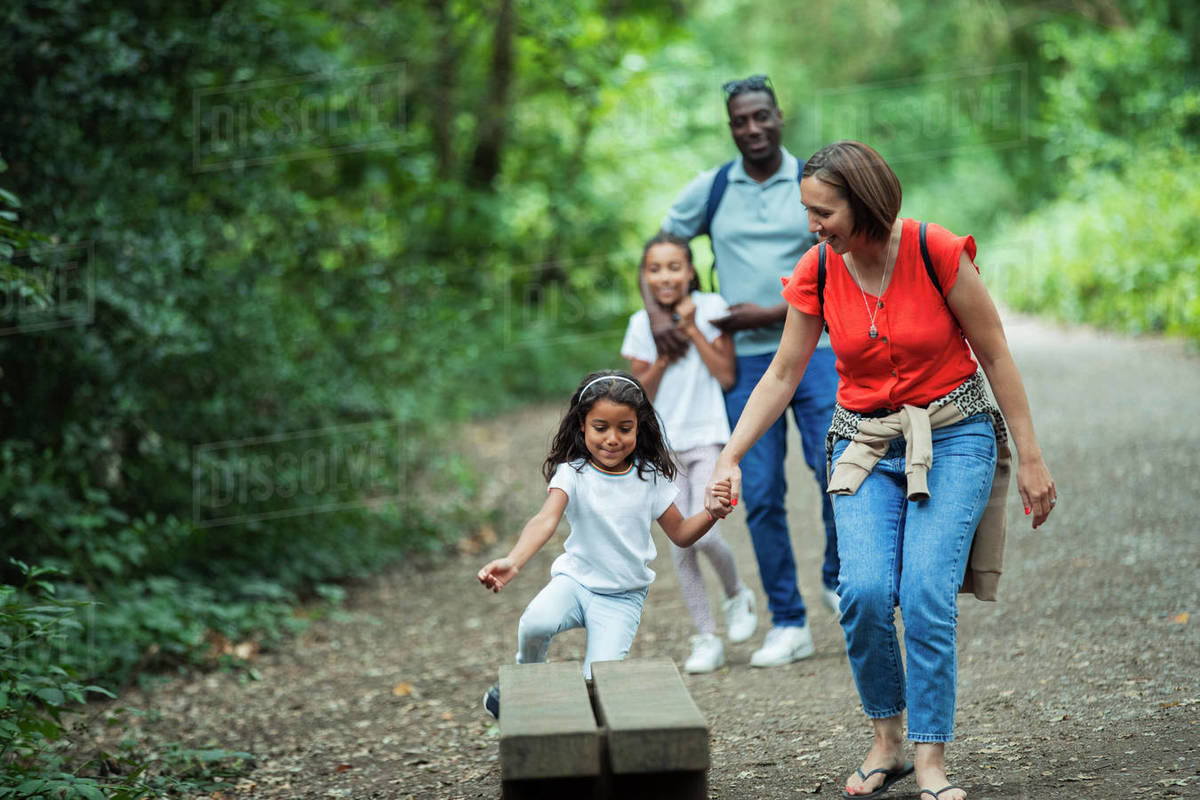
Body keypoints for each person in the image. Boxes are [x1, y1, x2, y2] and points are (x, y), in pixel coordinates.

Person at [703, 140, 1056, 800]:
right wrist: (730, 454)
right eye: (807, 212)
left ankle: (929, 758)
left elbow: (998, 355)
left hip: (954, 436)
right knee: (863, 592)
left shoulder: (936, 252)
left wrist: (1032, 457)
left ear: (864, 204)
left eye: (823, 212)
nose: (813, 226)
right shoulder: (818, 269)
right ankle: (887, 741)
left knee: (924, 593)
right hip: (863, 443)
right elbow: (781, 373)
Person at [650, 74, 840, 669]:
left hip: (816, 350)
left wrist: (775, 309)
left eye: (762, 116)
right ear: (730, 126)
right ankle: (788, 622)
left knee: (836, 466)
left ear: (779, 116)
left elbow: (845, 253)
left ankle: (838, 578)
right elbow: (660, 246)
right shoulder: (713, 190)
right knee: (755, 493)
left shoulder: (812, 179)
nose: (752, 128)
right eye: (740, 120)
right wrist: (661, 312)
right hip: (747, 365)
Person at [477, 370, 729, 718]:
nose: (612, 439)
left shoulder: (650, 479)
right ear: (582, 425)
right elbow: (545, 520)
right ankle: (523, 679)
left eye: (624, 428)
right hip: (575, 582)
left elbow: (682, 533)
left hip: (622, 597)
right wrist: (515, 560)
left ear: (639, 428)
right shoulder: (573, 473)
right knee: (535, 622)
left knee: (598, 684)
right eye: (601, 427)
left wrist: (712, 512)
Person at [621, 232, 758, 674]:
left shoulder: (713, 307)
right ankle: (705, 636)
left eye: (674, 266)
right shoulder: (641, 324)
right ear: (645, 276)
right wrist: (662, 353)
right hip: (660, 450)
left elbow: (725, 376)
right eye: (655, 268)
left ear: (690, 271)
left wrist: (693, 327)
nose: (666, 276)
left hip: (707, 440)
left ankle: (737, 593)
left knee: (709, 532)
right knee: (679, 547)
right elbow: (638, 394)